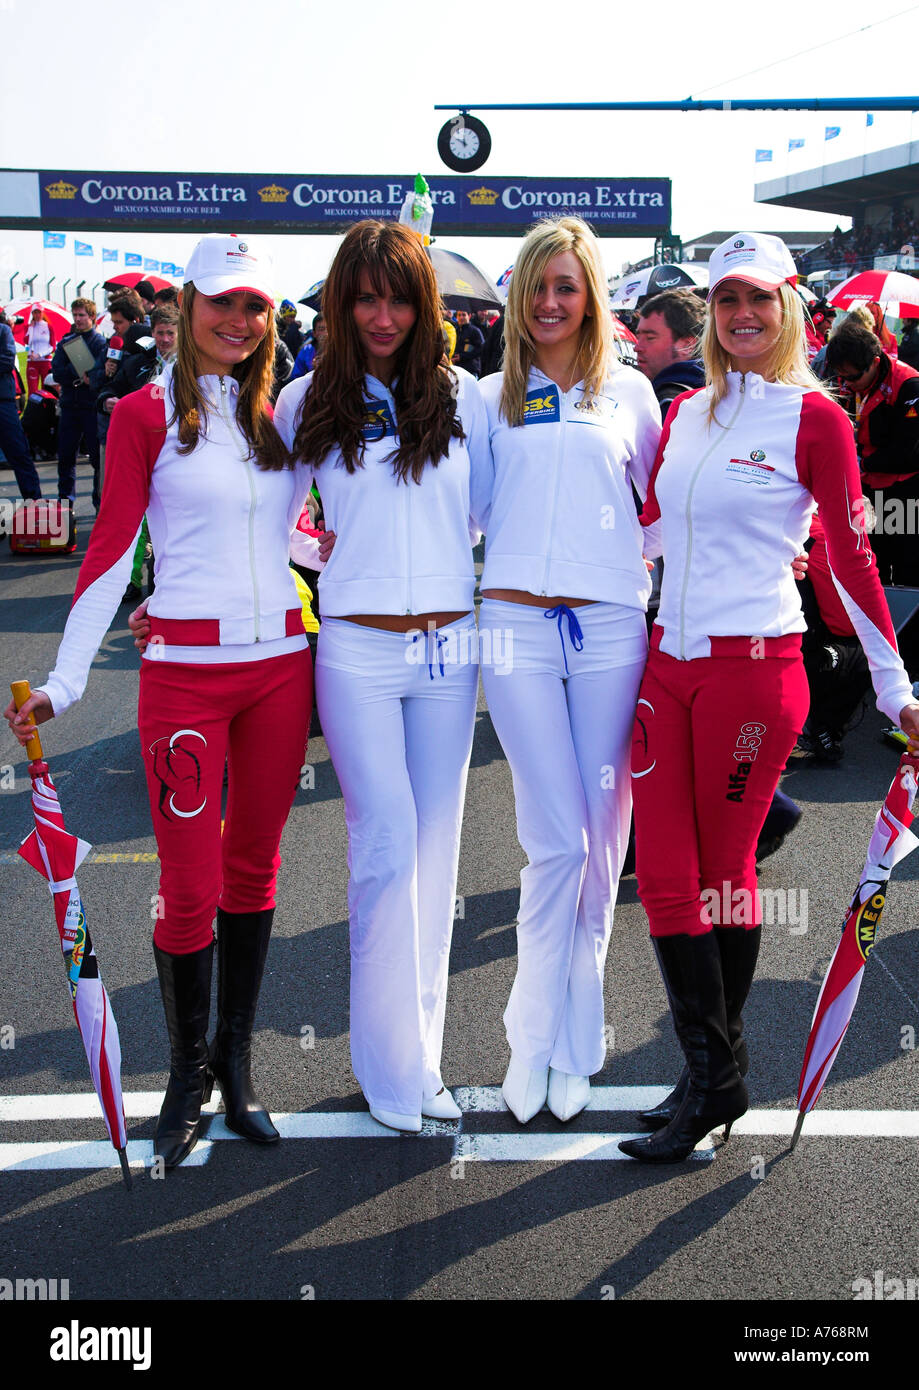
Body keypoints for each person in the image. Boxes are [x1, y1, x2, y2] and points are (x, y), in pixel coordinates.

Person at [6, 233, 321, 1169]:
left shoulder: (282, 413)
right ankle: (187, 1076)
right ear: (187, 307)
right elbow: (109, 551)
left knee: (255, 871)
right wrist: (65, 681)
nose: (237, 320)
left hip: (280, 670)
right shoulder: (143, 414)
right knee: (188, 888)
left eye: (253, 305)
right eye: (221, 302)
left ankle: (237, 1065)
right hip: (183, 674)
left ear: (270, 318)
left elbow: (298, 534)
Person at [620, 232, 919, 1164]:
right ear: (707, 312)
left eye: (759, 299)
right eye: (725, 301)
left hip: (755, 670)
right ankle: (712, 1075)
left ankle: (712, 1076)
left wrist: (894, 689)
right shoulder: (691, 414)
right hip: (663, 667)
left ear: (790, 306)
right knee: (666, 878)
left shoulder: (815, 418)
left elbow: (851, 553)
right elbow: (649, 533)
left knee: (720, 872)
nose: (741, 316)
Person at [274, 219, 491, 1133]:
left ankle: (418, 1063)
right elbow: (266, 517)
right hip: (356, 650)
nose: (382, 314)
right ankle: (387, 1070)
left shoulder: (466, 397)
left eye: (398, 296)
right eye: (365, 296)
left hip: (450, 653)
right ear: (339, 300)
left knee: (435, 858)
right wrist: (327, 562)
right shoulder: (302, 400)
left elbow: (481, 517)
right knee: (385, 848)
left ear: (423, 302)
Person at [476, 217, 662, 1123]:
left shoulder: (630, 393)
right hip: (509, 628)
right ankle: (527, 1036)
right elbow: (453, 516)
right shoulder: (486, 397)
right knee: (552, 840)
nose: (550, 302)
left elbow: (664, 513)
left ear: (590, 294)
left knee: (599, 847)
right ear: (517, 293)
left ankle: (575, 1045)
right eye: (537, 285)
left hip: (611, 631)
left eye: (567, 285)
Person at [825, 317, 919, 586]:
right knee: (868, 557)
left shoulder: (908, 385)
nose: (846, 384)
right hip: (864, 489)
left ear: (875, 363)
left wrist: (863, 462)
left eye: (853, 377)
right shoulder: (845, 380)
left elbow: (910, 452)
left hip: (904, 491)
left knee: (906, 563)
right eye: (841, 377)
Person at [52, 298, 107, 512]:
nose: (78, 319)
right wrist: (78, 375)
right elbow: (57, 371)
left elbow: (97, 374)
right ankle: (65, 503)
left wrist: (85, 376)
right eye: (75, 315)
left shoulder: (99, 342)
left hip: (90, 406)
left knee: (96, 458)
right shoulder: (67, 340)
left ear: (91, 316)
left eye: (82, 315)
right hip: (69, 405)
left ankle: (98, 502)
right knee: (65, 456)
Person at [635, 288, 706, 417]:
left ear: (688, 345)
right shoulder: (724, 389)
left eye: (650, 338)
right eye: (638, 336)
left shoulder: (670, 403)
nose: (637, 347)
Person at [0, 314, 43, 499]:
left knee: (18, 452)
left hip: (3, 401)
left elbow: (7, 361)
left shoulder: (3, 331)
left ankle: (34, 502)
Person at [25, 305, 56, 394]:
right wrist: (31, 328)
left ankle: (46, 407)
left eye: (39, 312)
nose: (37, 315)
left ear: (43, 313)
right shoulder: (29, 327)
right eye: (35, 312)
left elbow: (52, 347)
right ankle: (33, 407)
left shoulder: (49, 326)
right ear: (32, 314)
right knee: (32, 390)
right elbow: (27, 341)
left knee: (47, 389)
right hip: (32, 362)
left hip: (46, 361)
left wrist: (39, 354)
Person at [452, 308, 484, 376]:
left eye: (464, 315)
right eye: (459, 315)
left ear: (469, 316)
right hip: (457, 369)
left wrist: (462, 356)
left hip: (471, 370)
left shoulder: (475, 331)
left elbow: (481, 349)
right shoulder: (455, 330)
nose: (461, 317)